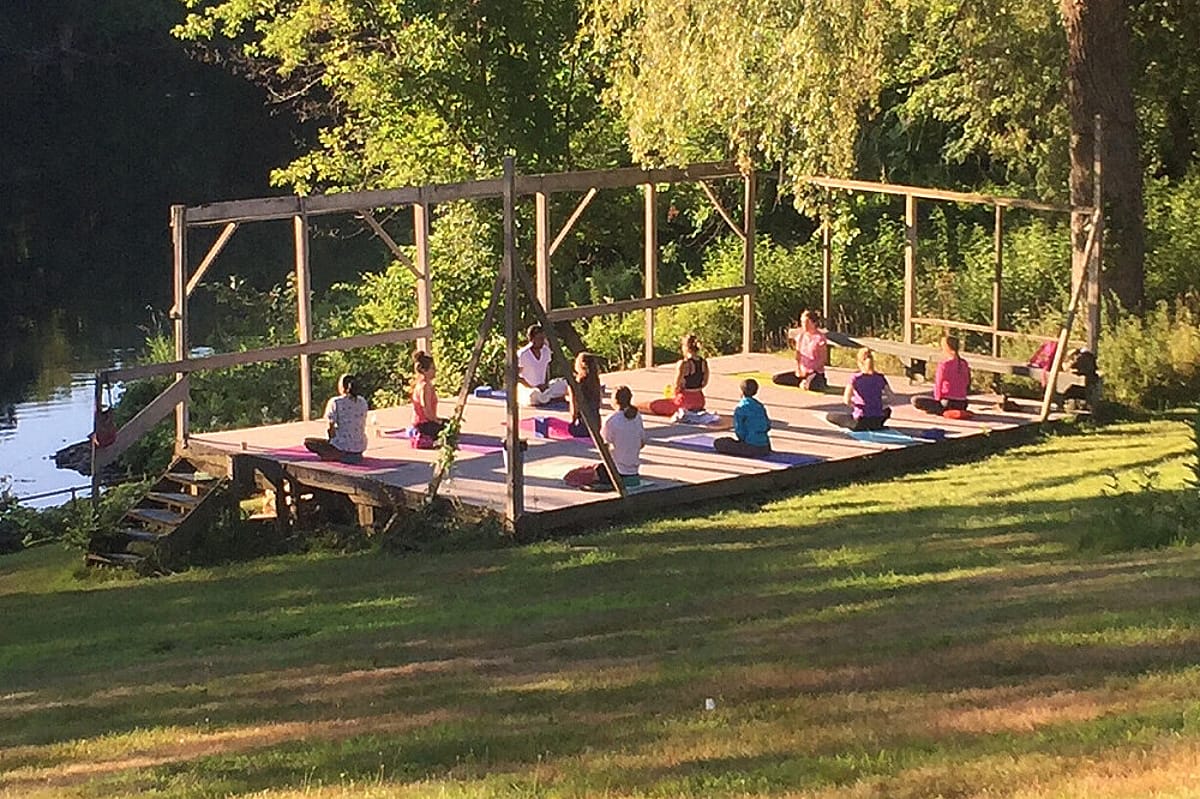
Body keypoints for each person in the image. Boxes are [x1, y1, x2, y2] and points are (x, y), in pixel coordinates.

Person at [564, 386, 646, 489]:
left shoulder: (611, 420)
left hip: (616, 470)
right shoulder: (637, 417)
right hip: (634, 471)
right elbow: (642, 443)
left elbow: (604, 446)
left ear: (615, 400)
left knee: (574, 475)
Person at [304, 373, 369, 463]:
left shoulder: (336, 402)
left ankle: (336, 454)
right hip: (360, 447)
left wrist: (332, 441)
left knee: (309, 442)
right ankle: (347, 454)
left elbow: (330, 427)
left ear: (342, 386)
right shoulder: (362, 401)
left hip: (341, 446)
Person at [825, 348, 894, 431]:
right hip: (877, 419)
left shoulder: (855, 378)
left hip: (861, 420)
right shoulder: (880, 378)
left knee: (830, 416)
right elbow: (891, 397)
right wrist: (877, 403)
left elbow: (846, 400)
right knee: (887, 410)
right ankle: (877, 425)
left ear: (859, 363)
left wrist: (855, 405)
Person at [642, 333, 709, 417]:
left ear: (685, 347)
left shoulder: (683, 364)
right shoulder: (703, 362)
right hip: (700, 400)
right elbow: (704, 383)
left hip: (684, 401)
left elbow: (676, 386)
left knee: (652, 405)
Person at [911, 336, 971, 416]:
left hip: (947, 402)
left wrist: (937, 399)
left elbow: (938, 383)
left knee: (915, 400)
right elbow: (967, 381)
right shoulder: (964, 363)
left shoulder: (944, 365)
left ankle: (942, 411)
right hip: (963, 403)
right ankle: (955, 411)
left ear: (946, 348)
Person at [714, 379, 772, 457]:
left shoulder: (741, 407)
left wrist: (743, 440)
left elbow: (739, 429)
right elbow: (767, 425)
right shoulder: (760, 406)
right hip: (765, 446)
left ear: (742, 391)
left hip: (751, 446)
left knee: (719, 443)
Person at [773, 309, 828, 390]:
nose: (804, 325)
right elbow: (798, 356)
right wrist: (799, 370)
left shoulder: (820, 338)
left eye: (807, 322)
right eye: (802, 322)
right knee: (777, 378)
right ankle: (803, 382)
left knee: (813, 384)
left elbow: (823, 359)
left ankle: (811, 382)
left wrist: (811, 370)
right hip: (802, 372)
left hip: (815, 372)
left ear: (814, 323)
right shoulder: (801, 336)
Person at [517, 324, 568, 407]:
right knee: (533, 395)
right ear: (532, 339)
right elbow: (516, 377)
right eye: (539, 339)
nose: (542, 341)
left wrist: (545, 384)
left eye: (542, 339)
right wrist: (532, 386)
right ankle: (548, 398)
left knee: (565, 385)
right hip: (528, 389)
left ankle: (546, 398)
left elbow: (547, 368)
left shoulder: (546, 350)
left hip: (544, 388)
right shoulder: (522, 354)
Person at [410, 350, 445, 447]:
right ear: (425, 371)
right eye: (432, 368)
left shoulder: (421, 383)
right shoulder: (425, 386)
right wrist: (437, 421)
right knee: (448, 428)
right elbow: (426, 410)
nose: (435, 371)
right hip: (424, 424)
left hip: (422, 422)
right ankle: (425, 437)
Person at [568, 352, 603, 437]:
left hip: (583, 426)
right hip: (597, 425)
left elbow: (574, 408)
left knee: (569, 429)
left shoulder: (578, 382)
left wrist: (573, 421)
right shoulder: (595, 380)